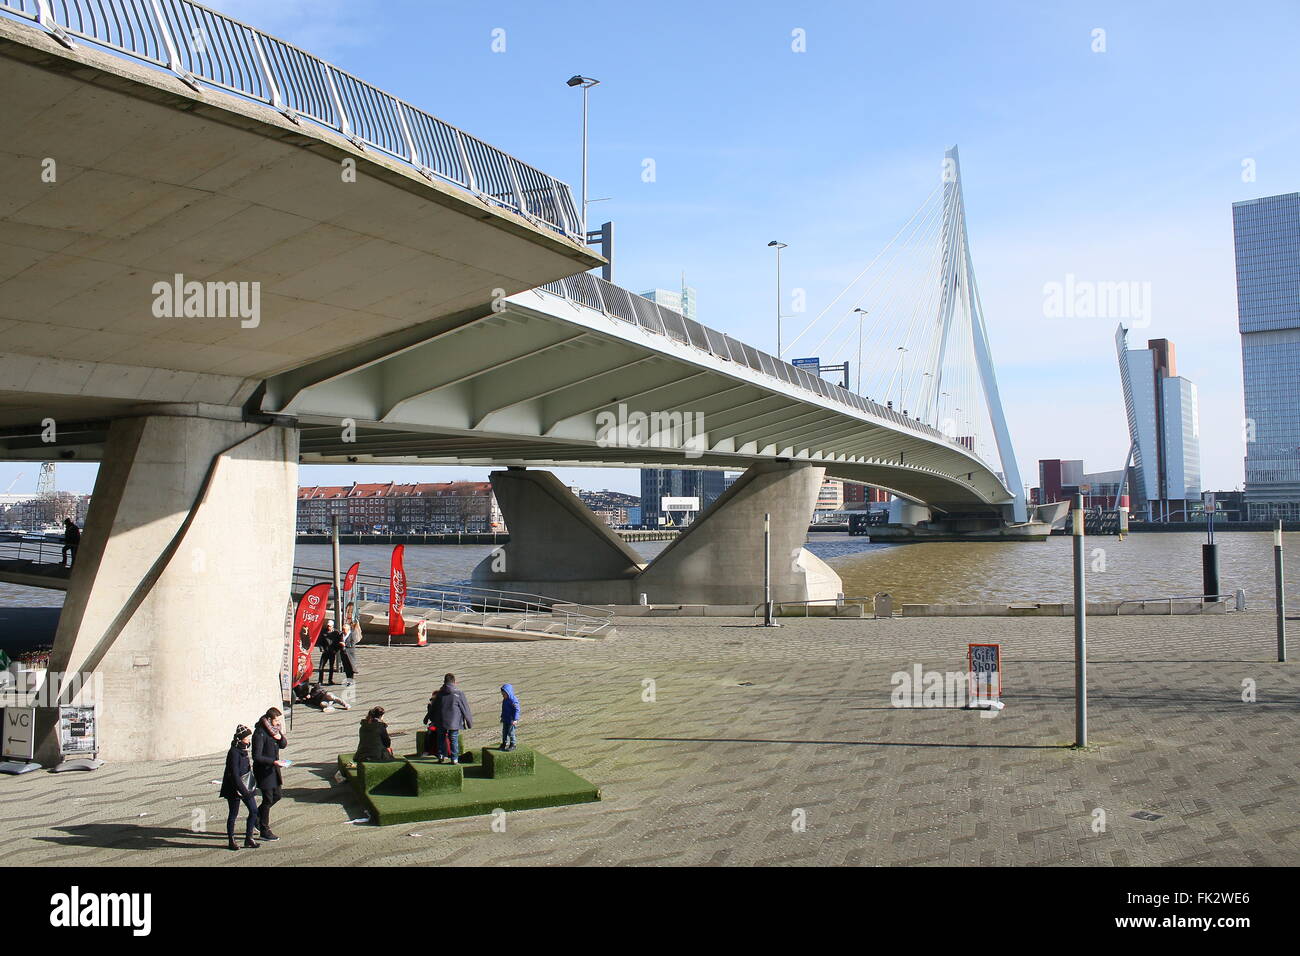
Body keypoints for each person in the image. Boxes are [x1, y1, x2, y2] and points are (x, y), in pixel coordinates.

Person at [218, 724, 259, 851]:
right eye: (247, 737)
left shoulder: (245, 748)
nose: (249, 740)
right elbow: (234, 775)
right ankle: (231, 840)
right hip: (234, 788)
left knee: (254, 810)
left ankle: (249, 838)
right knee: (233, 814)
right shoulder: (234, 752)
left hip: (246, 785)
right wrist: (244, 791)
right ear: (240, 738)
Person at [251, 707, 289, 842]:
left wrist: (280, 737)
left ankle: (256, 818)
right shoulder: (260, 733)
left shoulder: (274, 731)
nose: (278, 723)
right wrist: (273, 762)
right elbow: (256, 756)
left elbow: (283, 744)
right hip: (264, 771)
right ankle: (264, 830)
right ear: (269, 719)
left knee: (277, 796)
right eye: (276, 720)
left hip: (274, 769)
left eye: (279, 720)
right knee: (267, 799)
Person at [431, 673, 472, 764]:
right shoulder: (459, 693)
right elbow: (465, 709)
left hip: (441, 720)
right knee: (453, 739)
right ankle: (454, 759)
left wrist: (429, 718)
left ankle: (441, 756)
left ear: (444, 682)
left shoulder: (440, 693)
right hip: (454, 721)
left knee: (441, 738)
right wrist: (469, 722)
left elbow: (434, 707)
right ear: (454, 682)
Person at [339, 604, 359, 684]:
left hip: (350, 653)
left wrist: (345, 645)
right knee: (346, 667)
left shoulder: (352, 634)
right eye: (343, 629)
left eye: (344, 630)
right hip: (343, 653)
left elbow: (352, 644)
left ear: (348, 629)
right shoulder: (341, 635)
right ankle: (348, 679)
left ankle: (351, 680)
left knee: (351, 667)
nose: (343, 631)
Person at [317, 619, 341, 685]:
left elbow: (339, 642)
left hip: (332, 652)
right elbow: (320, 642)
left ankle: (330, 680)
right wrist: (322, 648)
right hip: (325, 652)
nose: (328, 627)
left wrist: (336, 650)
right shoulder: (323, 632)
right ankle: (320, 681)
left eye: (330, 626)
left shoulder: (336, 633)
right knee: (321, 667)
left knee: (331, 667)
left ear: (332, 626)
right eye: (328, 626)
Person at [499, 683, 521, 751]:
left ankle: (513, 744)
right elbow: (504, 709)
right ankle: (504, 743)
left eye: (504, 694)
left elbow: (517, 710)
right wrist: (502, 717)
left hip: (511, 720)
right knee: (504, 732)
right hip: (505, 719)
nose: (503, 696)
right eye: (502, 694)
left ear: (508, 693)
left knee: (511, 732)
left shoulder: (513, 700)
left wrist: (515, 719)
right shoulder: (505, 700)